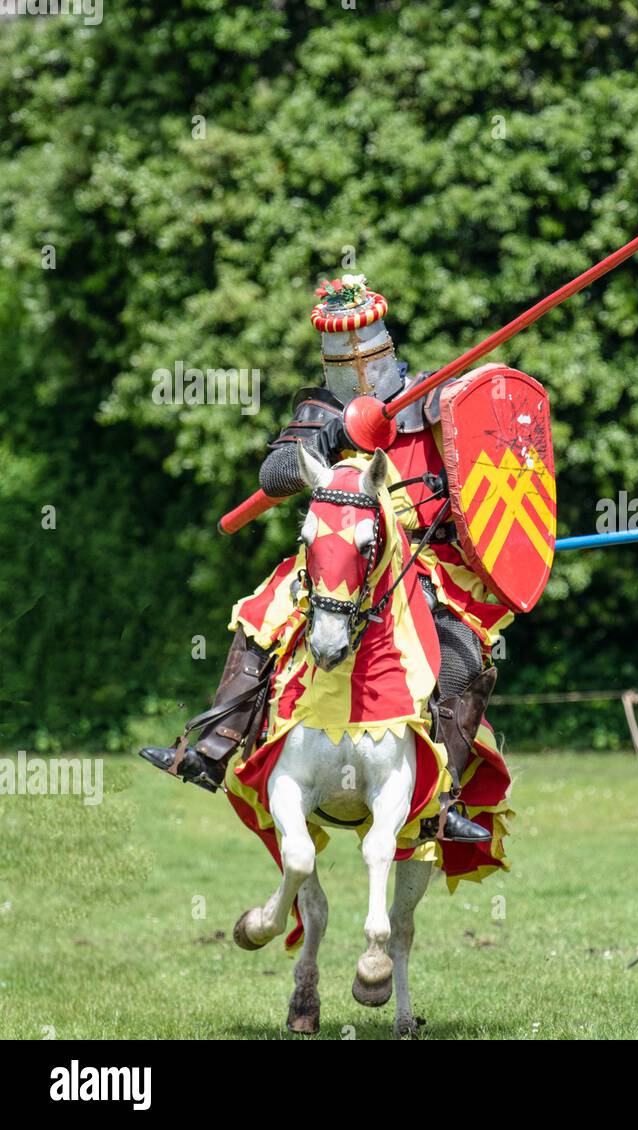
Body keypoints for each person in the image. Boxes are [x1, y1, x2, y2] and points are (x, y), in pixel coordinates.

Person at [141, 277, 516, 843]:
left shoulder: (439, 401)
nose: (357, 370)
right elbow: (272, 476)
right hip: (337, 556)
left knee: (464, 654)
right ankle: (213, 747)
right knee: (262, 618)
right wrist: (332, 434)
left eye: (366, 353)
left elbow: (494, 465)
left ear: (386, 347)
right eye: (342, 359)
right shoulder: (320, 409)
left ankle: (441, 801)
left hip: (423, 560)